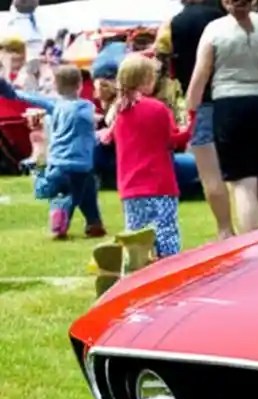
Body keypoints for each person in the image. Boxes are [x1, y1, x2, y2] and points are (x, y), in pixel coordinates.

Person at [185, 0, 258, 234]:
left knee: (242, 184)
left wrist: (190, 113)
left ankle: (252, 249)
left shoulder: (214, 29)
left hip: (231, 106)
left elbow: (200, 76)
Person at [97, 54, 191, 259]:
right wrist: (193, 123)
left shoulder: (118, 111)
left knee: (136, 234)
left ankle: (133, 267)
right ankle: (168, 268)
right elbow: (173, 140)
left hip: (130, 186)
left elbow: (108, 139)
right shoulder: (157, 108)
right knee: (166, 230)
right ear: (147, 79)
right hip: (159, 183)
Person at [0, 65, 105, 240]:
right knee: (77, 192)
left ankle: (94, 223)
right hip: (81, 164)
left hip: (57, 163)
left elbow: (21, 95)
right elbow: (90, 121)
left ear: (56, 86)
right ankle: (61, 213)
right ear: (80, 84)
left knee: (85, 188)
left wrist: (4, 86)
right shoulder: (87, 106)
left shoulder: (55, 105)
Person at [169, 0, 233, 240]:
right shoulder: (225, 17)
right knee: (242, 174)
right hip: (234, 97)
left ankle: (225, 229)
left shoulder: (177, 23)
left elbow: (172, 64)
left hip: (201, 100)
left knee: (210, 173)